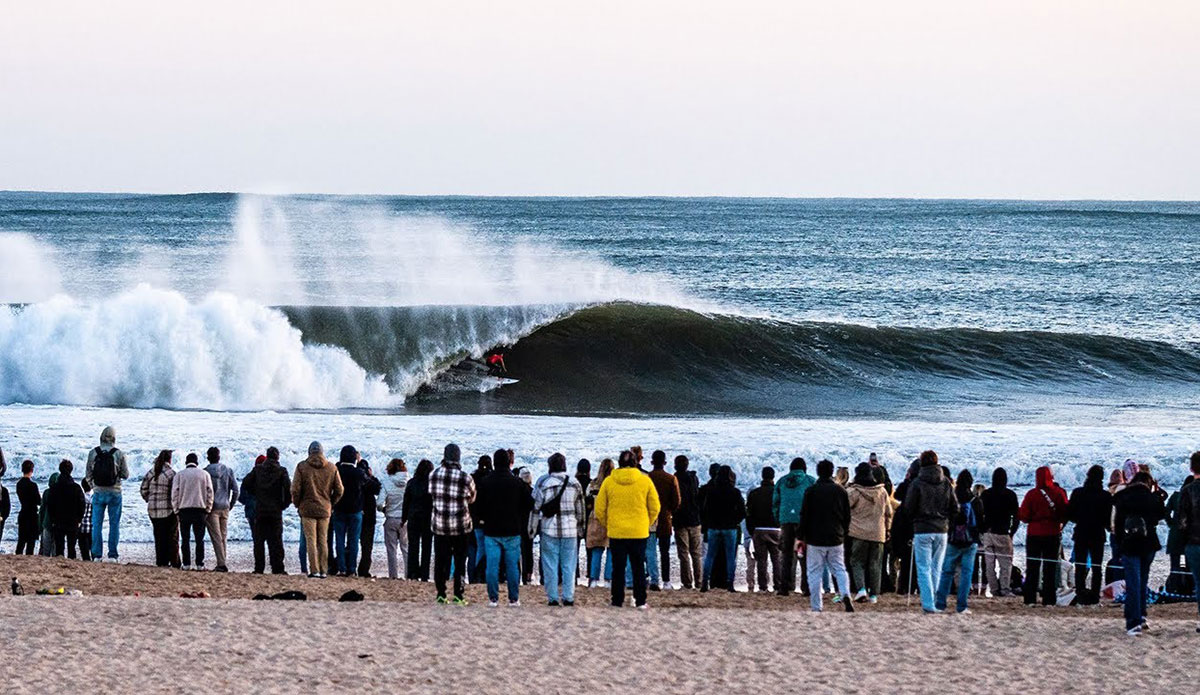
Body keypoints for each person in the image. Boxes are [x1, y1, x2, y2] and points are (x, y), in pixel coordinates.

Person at [596, 449, 660, 608]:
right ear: (635, 463)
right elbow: (655, 507)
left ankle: (617, 601)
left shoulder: (609, 481)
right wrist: (646, 523)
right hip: (638, 531)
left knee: (618, 568)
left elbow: (599, 509)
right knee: (638, 568)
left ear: (619, 463)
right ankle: (640, 601)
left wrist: (608, 523)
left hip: (617, 531)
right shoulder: (645, 481)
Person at [901, 451, 957, 613]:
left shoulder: (917, 483)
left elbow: (908, 508)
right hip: (941, 529)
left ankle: (928, 603)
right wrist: (947, 522)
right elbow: (955, 508)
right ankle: (935, 601)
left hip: (923, 529)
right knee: (936, 568)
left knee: (923, 568)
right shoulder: (946, 482)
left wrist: (914, 521)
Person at [1113, 470, 1167, 635]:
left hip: (1129, 544)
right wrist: (1158, 493)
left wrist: (1119, 546)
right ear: (1149, 484)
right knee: (1143, 581)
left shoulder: (1124, 497)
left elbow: (1117, 524)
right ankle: (1142, 616)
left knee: (1133, 583)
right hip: (1148, 544)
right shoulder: (1152, 498)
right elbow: (1162, 515)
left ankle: (1133, 622)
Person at [475, 449, 530, 606]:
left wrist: (483, 519)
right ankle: (513, 598)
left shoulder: (485, 482)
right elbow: (529, 504)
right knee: (512, 566)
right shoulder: (517, 482)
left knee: (492, 566)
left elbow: (478, 507)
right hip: (512, 529)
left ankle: (493, 598)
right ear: (508, 462)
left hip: (491, 529)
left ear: (494, 462)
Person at [798, 459, 854, 612]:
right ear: (831, 472)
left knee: (814, 572)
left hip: (815, 538)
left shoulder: (811, 491)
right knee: (839, 569)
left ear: (818, 472)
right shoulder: (840, 491)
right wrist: (844, 532)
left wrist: (800, 536)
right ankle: (845, 594)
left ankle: (817, 606)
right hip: (836, 537)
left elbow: (804, 515)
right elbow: (847, 516)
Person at [533, 452, 586, 606]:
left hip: (549, 529)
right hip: (570, 529)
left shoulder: (544, 483)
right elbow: (580, 510)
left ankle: (553, 597)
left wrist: (532, 528)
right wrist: (581, 528)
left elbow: (535, 509)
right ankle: (568, 597)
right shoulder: (575, 483)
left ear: (550, 466)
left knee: (550, 564)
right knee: (569, 564)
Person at [430, 443, 477, 605]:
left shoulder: (434, 475)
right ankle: (458, 594)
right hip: (460, 526)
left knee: (440, 560)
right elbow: (472, 498)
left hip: (440, 525)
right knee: (459, 561)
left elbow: (432, 494)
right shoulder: (465, 478)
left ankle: (441, 593)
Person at [1018, 465, 1069, 607]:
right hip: (1052, 533)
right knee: (1050, 568)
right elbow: (1065, 513)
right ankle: (1049, 600)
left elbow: (1024, 516)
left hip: (1034, 533)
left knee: (1032, 567)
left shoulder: (1031, 494)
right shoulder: (1059, 493)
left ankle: (1030, 599)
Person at [291, 441, 344, 579]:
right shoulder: (332, 468)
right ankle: (323, 570)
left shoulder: (302, 467)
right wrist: (331, 503)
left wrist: (297, 504)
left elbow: (295, 489)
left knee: (311, 540)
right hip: (324, 509)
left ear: (309, 452)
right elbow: (340, 490)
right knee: (323, 541)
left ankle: (314, 570)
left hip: (307, 509)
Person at [935, 470, 983, 614]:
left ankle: (940, 604)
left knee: (947, 572)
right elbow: (980, 522)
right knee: (966, 574)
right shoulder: (975, 500)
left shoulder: (951, 498)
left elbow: (945, 517)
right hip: (970, 541)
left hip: (953, 540)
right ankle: (961, 606)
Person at [847, 461, 892, 603]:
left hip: (858, 533)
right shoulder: (882, 491)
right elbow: (888, 513)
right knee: (875, 564)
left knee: (857, 562)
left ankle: (861, 589)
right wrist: (887, 528)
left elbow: (845, 510)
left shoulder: (854, 492)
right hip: (878, 533)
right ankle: (874, 595)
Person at [242, 446, 291, 574]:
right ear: (277, 457)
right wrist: (284, 504)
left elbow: (246, 483)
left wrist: (257, 493)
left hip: (261, 509)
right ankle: (278, 568)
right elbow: (288, 490)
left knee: (259, 541)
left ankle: (259, 568)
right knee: (276, 541)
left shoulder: (258, 470)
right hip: (275, 510)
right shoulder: (281, 471)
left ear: (267, 456)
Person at [1068, 465, 1113, 602]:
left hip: (1081, 531)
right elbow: (1107, 519)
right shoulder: (1105, 496)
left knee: (1080, 565)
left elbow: (1071, 515)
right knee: (1097, 566)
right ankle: (1094, 595)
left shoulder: (1077, 493)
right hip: (1097, 533)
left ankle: (1080, 592)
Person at [85, 425, 129, 562]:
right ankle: (112, 555)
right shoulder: (119, 453)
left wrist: (94, 486)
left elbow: (88, 475)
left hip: (98, 492)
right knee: (114, 524)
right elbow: (125, 474)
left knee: (96, 524)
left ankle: (97, 555)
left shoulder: (93, 452)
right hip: (115, 492)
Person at [700, 465, 745, 593]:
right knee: (730, 557)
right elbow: (742, 511)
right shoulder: (734, 491)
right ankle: (730, 584)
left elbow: (705, 510)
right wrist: (734, 521)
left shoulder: (712, 491)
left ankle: (704, 583)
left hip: (714, 527)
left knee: (710, 556)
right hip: (730, 527)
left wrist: (708, 523)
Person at [774, 457, 815, 596]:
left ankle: (784, 588)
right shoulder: (809, 481)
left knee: (786, 555)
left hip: (786, 521)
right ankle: (806, 588)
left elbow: (775, 503)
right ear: (804, 469)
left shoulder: (781, 481)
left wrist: (779, 519)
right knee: (803, 554)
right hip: (803, 521)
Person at [979, 467, 1020, 597]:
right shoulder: (1010, 495)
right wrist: (1012, 531)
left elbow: (980, 514)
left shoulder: (986, 494)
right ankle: (1005, 589)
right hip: (1003, 532)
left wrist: (982, 530)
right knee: (1005, 565)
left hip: (988, 532)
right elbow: (1016, 516)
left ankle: (994, 589)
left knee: (989, 565)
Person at [325, 445, 364, 577]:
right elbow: (370, 484)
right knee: (353, 541)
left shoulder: (337, 470)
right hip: (355, 510)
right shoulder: (358, 472)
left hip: (339, 509)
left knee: (339, 540)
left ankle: (341, 568)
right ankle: (352, 569)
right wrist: (360, 464)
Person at [172, 453, 214, 570]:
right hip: (200, 510)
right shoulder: (204, 474)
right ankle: (200, 564)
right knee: (199, 539)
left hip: (184, 510)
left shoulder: (180, 475)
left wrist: (176, 510)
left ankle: (186, 564)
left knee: (185, 539)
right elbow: (210, 493)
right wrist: (208, 509)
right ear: (197, 462)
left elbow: (174, 494)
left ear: (186, 462)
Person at [140, 450, 179, 568]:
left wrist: (150, 500)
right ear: (170, 460)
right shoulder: (171, 474)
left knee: (159, 536)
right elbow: (175, 493)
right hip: (167, 509)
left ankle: (161, 561)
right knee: (172, 537)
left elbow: (143, 490)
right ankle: (174, 562)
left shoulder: (151, 472)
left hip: (153, 510)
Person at [647, 450, 680, 591]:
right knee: (664, 552)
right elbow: (676, 501)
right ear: (665, 462)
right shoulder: (671, 479)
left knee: (649, 551)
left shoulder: (647, 478)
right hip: (665, 519)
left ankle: (650, 577)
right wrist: (669, 511)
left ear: (652, 462)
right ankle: (666, 581)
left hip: (649, 519)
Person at [746, 466, 782, 594]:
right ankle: (778, 585)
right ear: (773, 477)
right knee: (776, 559)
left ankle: (763, 586)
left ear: (762, 476)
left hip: (759, 529)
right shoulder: (778, 492)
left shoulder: (754, 493)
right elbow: (781, 510)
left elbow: (749, 514)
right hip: (775, 528)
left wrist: (751, 531)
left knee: (762, 560)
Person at [202, 447, 237, 573]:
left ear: (208, 457)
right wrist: (231, 504)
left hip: (212, 508)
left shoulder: (205, 472)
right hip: (225, 506)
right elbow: (236, 490)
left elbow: (204, 491)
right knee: (223, 536)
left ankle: (221, 564)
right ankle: (222, 561)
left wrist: (205, 507)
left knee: (216, 537)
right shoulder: (228, 470)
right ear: (219, 456)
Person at [672, 455, 703, 590]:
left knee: (683, 553)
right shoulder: (693, 478)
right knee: (696, 553)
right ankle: (700, 581)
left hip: (680, 520)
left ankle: (687, 582)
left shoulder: (675, 479)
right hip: (695, 519)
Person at [44, 460, 86, 558]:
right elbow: (82, 504)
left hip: (58, 521)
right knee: (71, 547)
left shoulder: (54, 488)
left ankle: (59, 565)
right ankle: (71, 564)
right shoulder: (76, 487)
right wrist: (79, 519)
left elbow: (50, 505)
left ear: (60, 470)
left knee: (59, 547)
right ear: (71, 470)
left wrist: (53, 519)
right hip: (73, 521)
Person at [1178, 451, 1200, 633]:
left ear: (1192, 468)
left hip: (1194, 543)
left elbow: (1182, 522)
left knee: (1199, 583)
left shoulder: (1187, 491)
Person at [377, 458, 409, 580]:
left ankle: (393, 576)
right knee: (406, 548)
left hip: (390, 518)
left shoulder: (386, 482)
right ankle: (408, 574)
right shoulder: (408, 481)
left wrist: (384, 509)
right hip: (404, 520)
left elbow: (379, 503)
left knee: (391, 549)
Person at [585, 458, 615, 588]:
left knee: (596, 549)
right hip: (611, 518)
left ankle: (593, 579)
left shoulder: (593, 484)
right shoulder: (613, 483)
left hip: (596, 518)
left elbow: (587, 502)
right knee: (611, 550)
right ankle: (608, 579)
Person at [403, 460, 435, 581]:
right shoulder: (432, 484)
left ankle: (413, 573)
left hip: (414, 517)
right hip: (428, 519)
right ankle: (425, 575)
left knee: (413, 547)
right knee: (427, 548)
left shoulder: (411, 482)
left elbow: (406, 502)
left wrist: (403, 518)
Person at [1165, 476, 1193, 594]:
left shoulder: (1176, 496)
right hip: (1188, 536)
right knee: (1187, 564)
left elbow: (1165, 512)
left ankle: (1174, 587)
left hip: (1175, 535)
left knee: (1175, 564)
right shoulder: (1193, 498)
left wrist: (1171, 523)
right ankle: (1187, 588)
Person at [467, 454, 492, 584]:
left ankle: (472, 576)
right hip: (489, 519)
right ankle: (482, 575)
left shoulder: (472, 478)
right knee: (486, 548)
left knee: (473, 548)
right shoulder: (491, 479)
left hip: (473, 518)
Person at [239, 455, 265, 566]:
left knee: (257, 540)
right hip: (267, 511)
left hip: (252, 512)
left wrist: (249, 503)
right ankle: (276, 566)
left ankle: (259, 566)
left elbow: (241, 497)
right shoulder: (270, 477)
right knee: (272, 539)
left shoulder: (249, 477)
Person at [358, 459, 382, 578]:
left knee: (351, 543)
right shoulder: (370, 482)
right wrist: (372, 476)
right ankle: (363, 570)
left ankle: (348, 567)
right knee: (367, 547)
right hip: (369, 517)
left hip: (356, 513)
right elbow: (378, 488)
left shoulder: (357, 479)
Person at [15, 459, 40, 555]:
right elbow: (38, 501)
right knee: (31, 542)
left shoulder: (19, 484)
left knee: (21, 541)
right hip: (32, 515)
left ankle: (17, 558)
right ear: (32, 470)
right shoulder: (33, 485)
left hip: (23, 513)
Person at [575, 458, 592, 579]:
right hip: (590, 520)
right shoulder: (591, 483)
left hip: (575, 519)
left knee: (573, 551)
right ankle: (591, 574)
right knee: (590, 549)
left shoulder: (574, 483)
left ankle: (574, 574)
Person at [75, 480, 92, 561]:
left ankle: (86, 560)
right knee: (93, 547)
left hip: (82, 527)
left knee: (84, 550)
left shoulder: (81, 497)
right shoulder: (94, 498)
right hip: (92, 527)